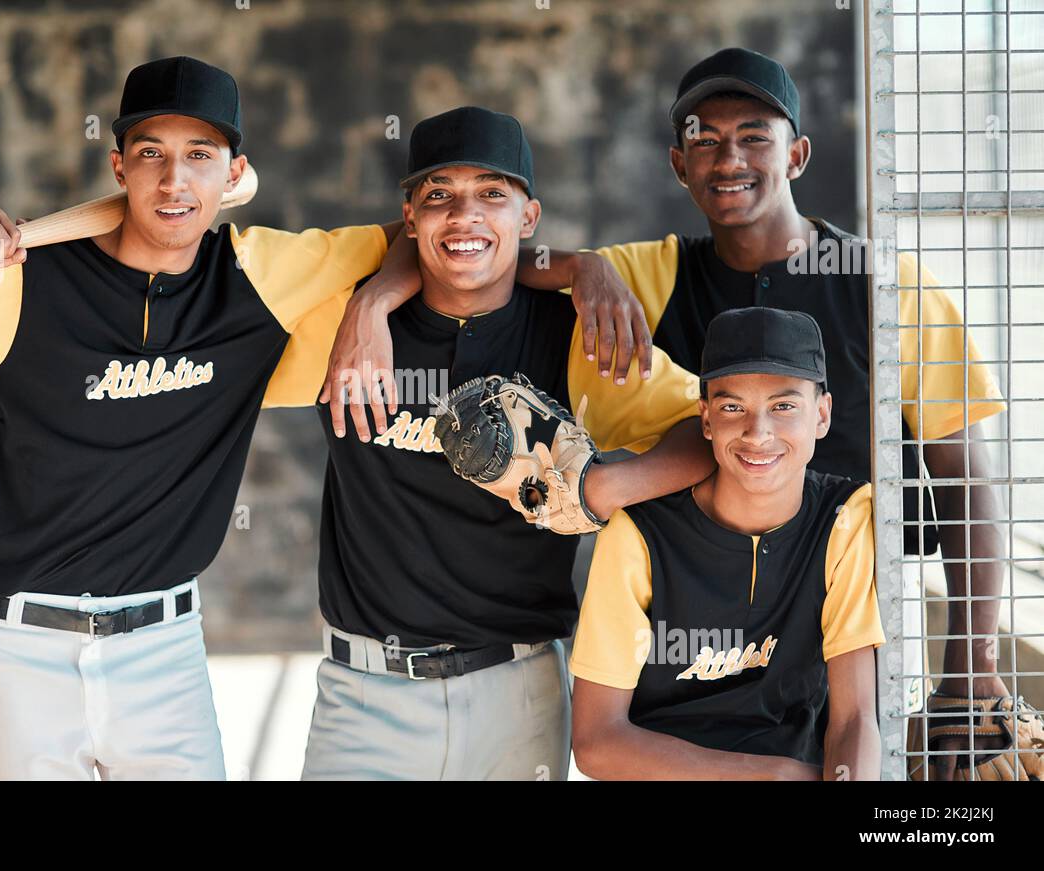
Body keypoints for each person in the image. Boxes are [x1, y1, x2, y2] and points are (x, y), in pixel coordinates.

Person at [324, 48, 1016, 778]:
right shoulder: (650, 277)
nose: (729, 158)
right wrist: (584, 268)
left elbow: (965, 485)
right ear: (678, 164)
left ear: (798, 153)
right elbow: (481, 255)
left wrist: (968, 670)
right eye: (703, 139)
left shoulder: (890, 288)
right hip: (699, 645)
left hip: (852, 631)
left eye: (754, 136)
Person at [0, 56, 401, 780]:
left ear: (234, 173)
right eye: (152, 154)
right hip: (25, 651)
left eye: (199, 157)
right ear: (119, 166)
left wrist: (373, 307)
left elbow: (415, 234)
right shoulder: (25, 285)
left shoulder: (259, 276)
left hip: (165, 649)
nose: (174, 181)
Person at [270, 107, 712, 780]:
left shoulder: (574, 336)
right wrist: (373, 300)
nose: (464, 216)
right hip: (364, 696)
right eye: (439, 195)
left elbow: (711, 428)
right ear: (410, 216)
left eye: (491, 195)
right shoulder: (349, 330)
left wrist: (607, 484)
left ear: (527, 216)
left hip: (517, 688)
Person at [570, 307, 883, 780]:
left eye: (783, 406)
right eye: (733, 407)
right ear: (706, 418)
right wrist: (775, 777)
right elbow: (596, 742)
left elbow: (856, 716)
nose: (758, 434)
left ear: (821, 415)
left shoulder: (845, 517)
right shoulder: (640, 533)